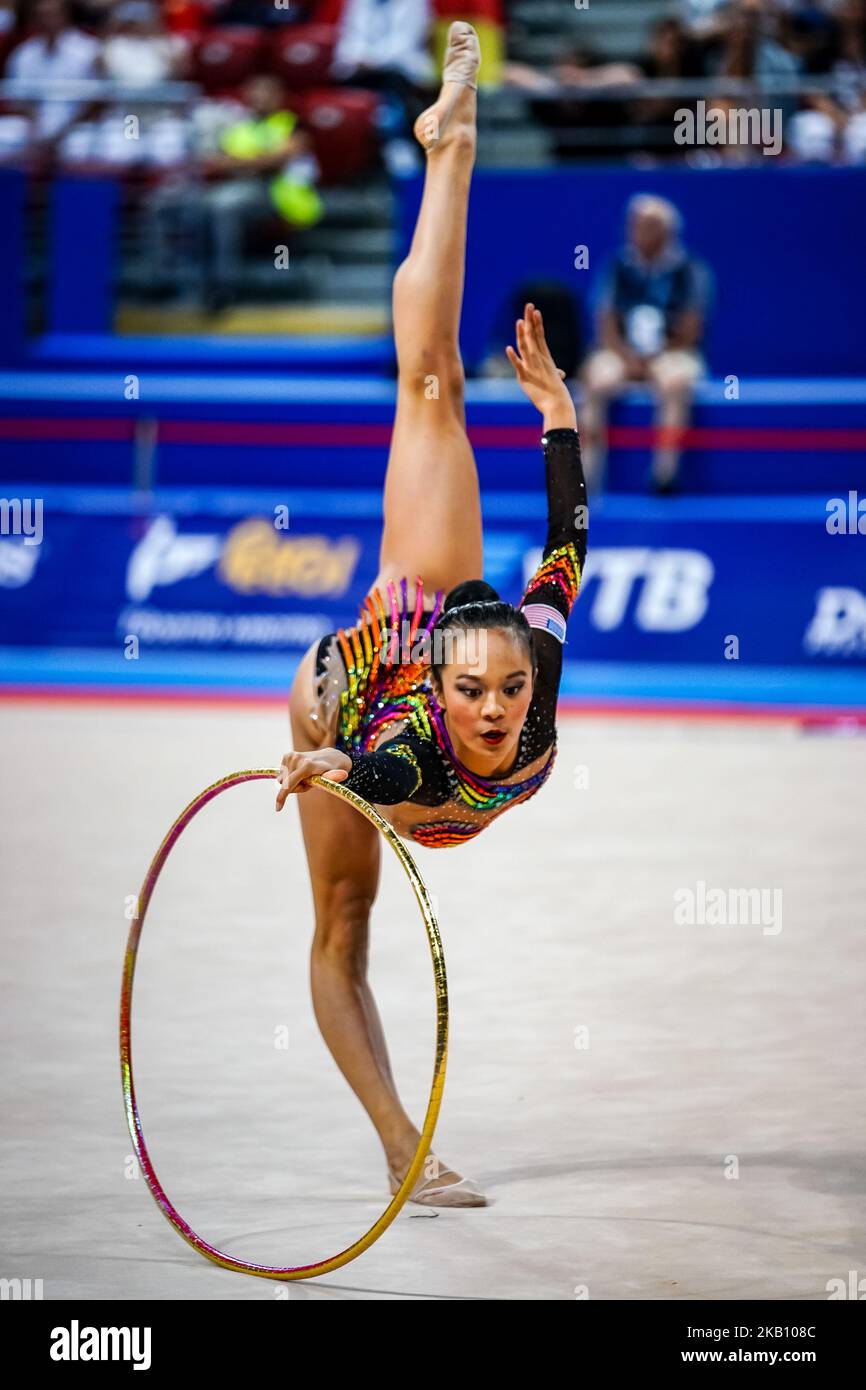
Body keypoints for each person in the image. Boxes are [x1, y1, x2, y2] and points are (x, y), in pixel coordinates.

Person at [277, 23, 588, 1209]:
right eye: (483, 693)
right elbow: (388, 760)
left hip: (425, 639)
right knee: (432, 385)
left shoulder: (522, 670)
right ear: (447, 687)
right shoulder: (414, 737)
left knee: (436, 389)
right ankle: (401, 1142)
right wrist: (329, 755)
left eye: (510, 689)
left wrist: (559, 415)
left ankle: (445, 142)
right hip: (349, 692)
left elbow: (563, 549)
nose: (504, 710)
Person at [147, 74, 322, 308]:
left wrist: (241, 163)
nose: (260, 97)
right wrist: (247, 162)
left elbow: (276, 161)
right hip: (234, 187)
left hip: (276, 195)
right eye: (255, 92)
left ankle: (224, 287)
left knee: (223, 207)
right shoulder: (238, 126)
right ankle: (164, 279)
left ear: (280, 96)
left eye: (266, 92)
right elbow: (212, 161)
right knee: (165, 205)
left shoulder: (293, 124)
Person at [579, 193, 709, 493]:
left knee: (675, 382)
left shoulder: (690, 269)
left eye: (646, 225)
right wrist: (625, 357)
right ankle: (586, 476)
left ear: (666, 232)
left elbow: (692, 328)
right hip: (622, 353)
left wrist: (653, 359)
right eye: (634, 224)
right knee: (595, 379)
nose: (636, 231)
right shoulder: (616, 266)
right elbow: (605, 321)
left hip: (672, 352)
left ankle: (664, 475)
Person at [5, 0, 100, 157]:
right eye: (41, 16)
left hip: (75, 124)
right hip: (34, 123)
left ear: (65, 16)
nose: (46, 21)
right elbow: (17, 100)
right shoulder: (24, 53)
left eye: (51, 15)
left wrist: (62, 132)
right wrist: (34, 125)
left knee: (87, 144)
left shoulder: (89, 50)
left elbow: (96, 102)